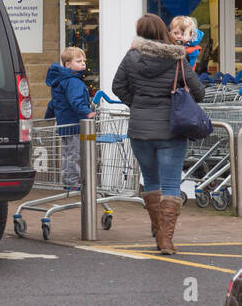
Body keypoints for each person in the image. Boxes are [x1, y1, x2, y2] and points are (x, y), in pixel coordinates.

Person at [112, 13, 205, 255]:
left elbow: (117, 86)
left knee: (151, 180)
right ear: (163, 30)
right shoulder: (177, 57)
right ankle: (166, 239)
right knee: (171, 184)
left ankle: (157, 229)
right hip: (170, 130)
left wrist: (138, 104)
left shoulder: (132, 56)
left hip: (140, 130)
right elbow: (199, 92)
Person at [45, 46, 95, 192]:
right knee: (75, 154)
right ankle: (72, 183)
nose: (83, 64)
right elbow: (76, 100)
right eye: (78, 61)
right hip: (75, 125)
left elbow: (54, 102)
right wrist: (88, 112)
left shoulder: (60, 81)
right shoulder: (74, 82)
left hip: (64, 125)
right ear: (67, 64)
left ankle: (69, 181)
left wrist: (48, 115)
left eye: (84, 61)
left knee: (68, 153)